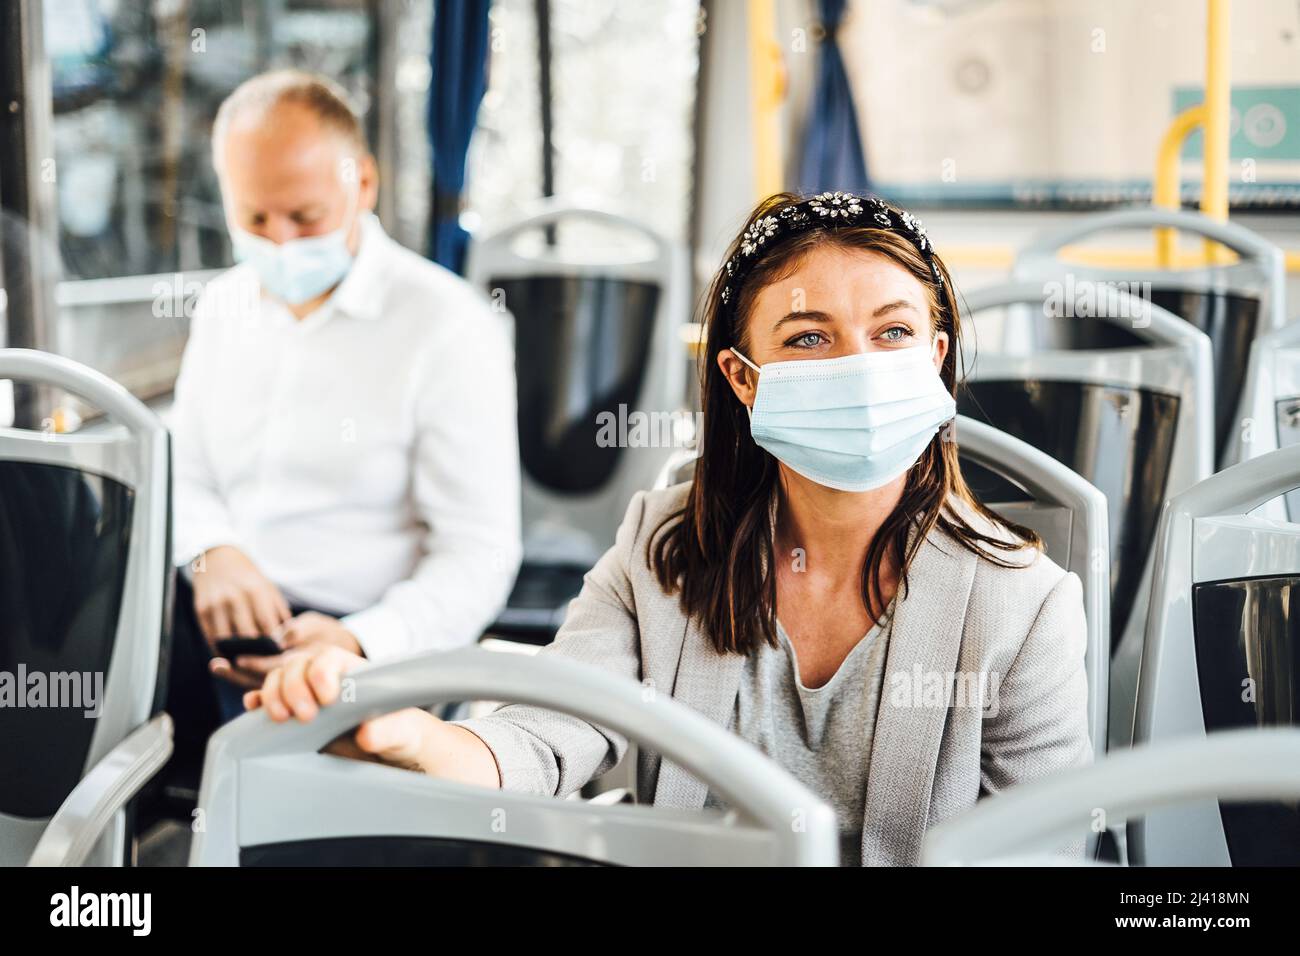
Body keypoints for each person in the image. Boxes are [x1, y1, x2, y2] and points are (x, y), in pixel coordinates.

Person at [246, 190, 1091, 866]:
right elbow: (549, 735)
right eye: (809, 338)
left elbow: (1045, 849)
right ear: (743, 377)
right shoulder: (661, 554)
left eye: (893, 332)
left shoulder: (1025, 606)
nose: (860, 367)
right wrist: (415, 739)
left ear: (937, 355)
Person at [164, 70, 521, 771]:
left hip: (375, 642)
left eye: (305, 217)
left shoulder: (448, 328)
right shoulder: (221, 308)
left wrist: (357, 643)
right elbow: (185, 468)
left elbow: (478, 553)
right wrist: (212, 552)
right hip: (213, 619)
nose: (282, 245)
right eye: (255, 221)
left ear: (363, 185)